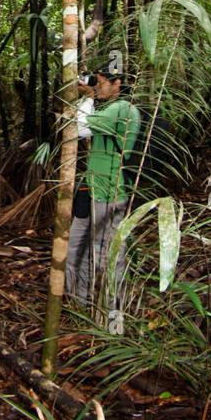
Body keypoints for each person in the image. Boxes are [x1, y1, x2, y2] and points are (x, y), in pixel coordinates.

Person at [65, 68, 141, 321]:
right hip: (92, 190)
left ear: (117, 84)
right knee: (77, 249)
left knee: (107, 255)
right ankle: (80, 305)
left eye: (101, 82)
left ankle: (111, 312)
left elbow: (82, 128)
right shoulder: (109, 109)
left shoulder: (122, 109)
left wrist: (87, 97)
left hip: (110, 193)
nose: (97, 86)